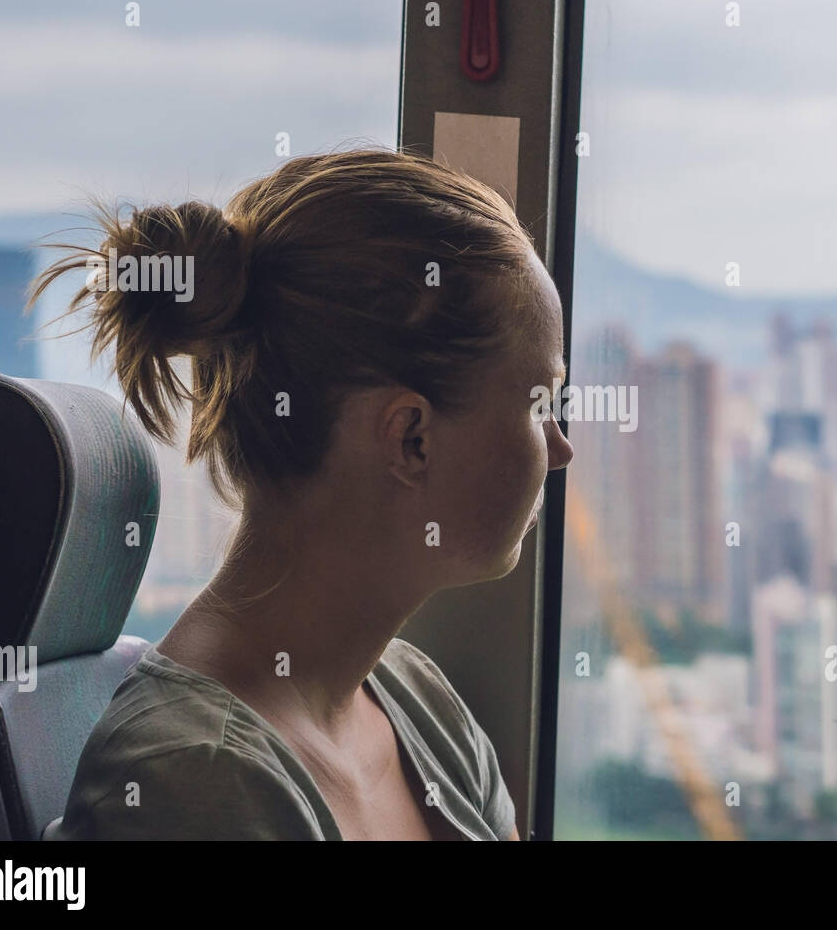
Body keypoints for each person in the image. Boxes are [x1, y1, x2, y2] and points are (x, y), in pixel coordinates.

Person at [31, 146, 573, 840]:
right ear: (412, 438)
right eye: (538, 404)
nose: (560, 449)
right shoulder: (192, 782)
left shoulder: (416, 699)